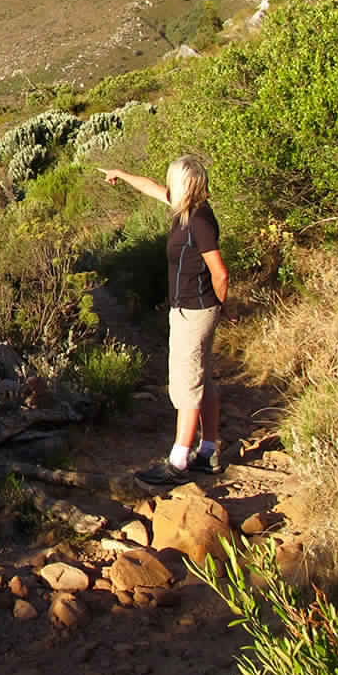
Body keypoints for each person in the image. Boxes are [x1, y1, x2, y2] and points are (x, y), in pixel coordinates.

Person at [99, 156, 229, 487]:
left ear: (185, 183)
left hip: (194, 311)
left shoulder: (198, 220)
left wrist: (215, 307)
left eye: (172, 179)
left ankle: (178, 461)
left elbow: (220, 272)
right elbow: (151, 188)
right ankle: (209, 452)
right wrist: (122, 173)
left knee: (186, 386)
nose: (167, 184)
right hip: (196, 310)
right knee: (203, 380)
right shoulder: (187, 208)